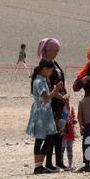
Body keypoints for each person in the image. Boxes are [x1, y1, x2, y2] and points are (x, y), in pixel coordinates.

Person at [37, 38, 68, 172]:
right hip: (52, 102)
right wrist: (61, 96)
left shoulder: (55, 64)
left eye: (57, 50)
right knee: (51, 133)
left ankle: (59, 161)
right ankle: (48, 162)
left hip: (60, 102)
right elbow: (49, 87)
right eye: (53, 50)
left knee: (59, 132)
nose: (55, 53)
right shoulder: (44, 66)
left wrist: (65, 96)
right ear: (46, 50)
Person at [26, 57, 59, 175]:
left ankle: (39, 165)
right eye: (50, 71)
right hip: (41, 113)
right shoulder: (40, 81)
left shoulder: (41, 80)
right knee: (42, 138)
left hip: (44, 112)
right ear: (44, 69)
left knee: (47, 137)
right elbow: (46, 98)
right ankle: (38, 166)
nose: (50, 73)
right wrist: (56, 90)